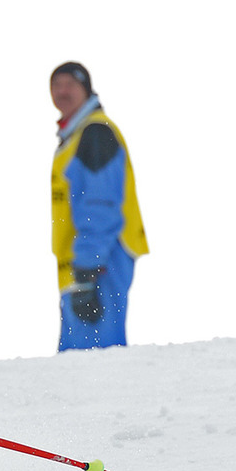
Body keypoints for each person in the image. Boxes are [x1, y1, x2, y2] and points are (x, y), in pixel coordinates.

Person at [49, 61, 149, 351]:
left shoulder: (94, 134)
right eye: (56, 85)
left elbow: (99, 203)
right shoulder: (76, 135)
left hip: (99, 261)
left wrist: (87, 269)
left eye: (70, 85)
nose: (62, 92)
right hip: (84, 262)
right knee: (81, 359)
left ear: (86, 90)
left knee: (93, 359)